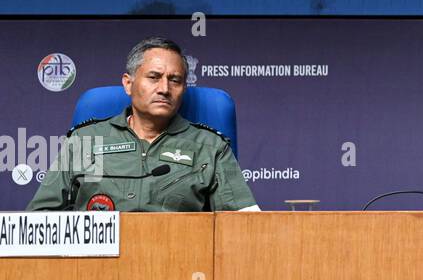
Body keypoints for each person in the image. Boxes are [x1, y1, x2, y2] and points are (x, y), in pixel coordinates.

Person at [27, 36, 259, 212]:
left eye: (175, 80)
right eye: (154, 77)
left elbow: (242, 224)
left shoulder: (211, 147)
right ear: (128, 84)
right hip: (93, 269)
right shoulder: (84, 140)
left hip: (180, 266)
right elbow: (40, 217)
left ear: (183, 89)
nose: (164, 89)